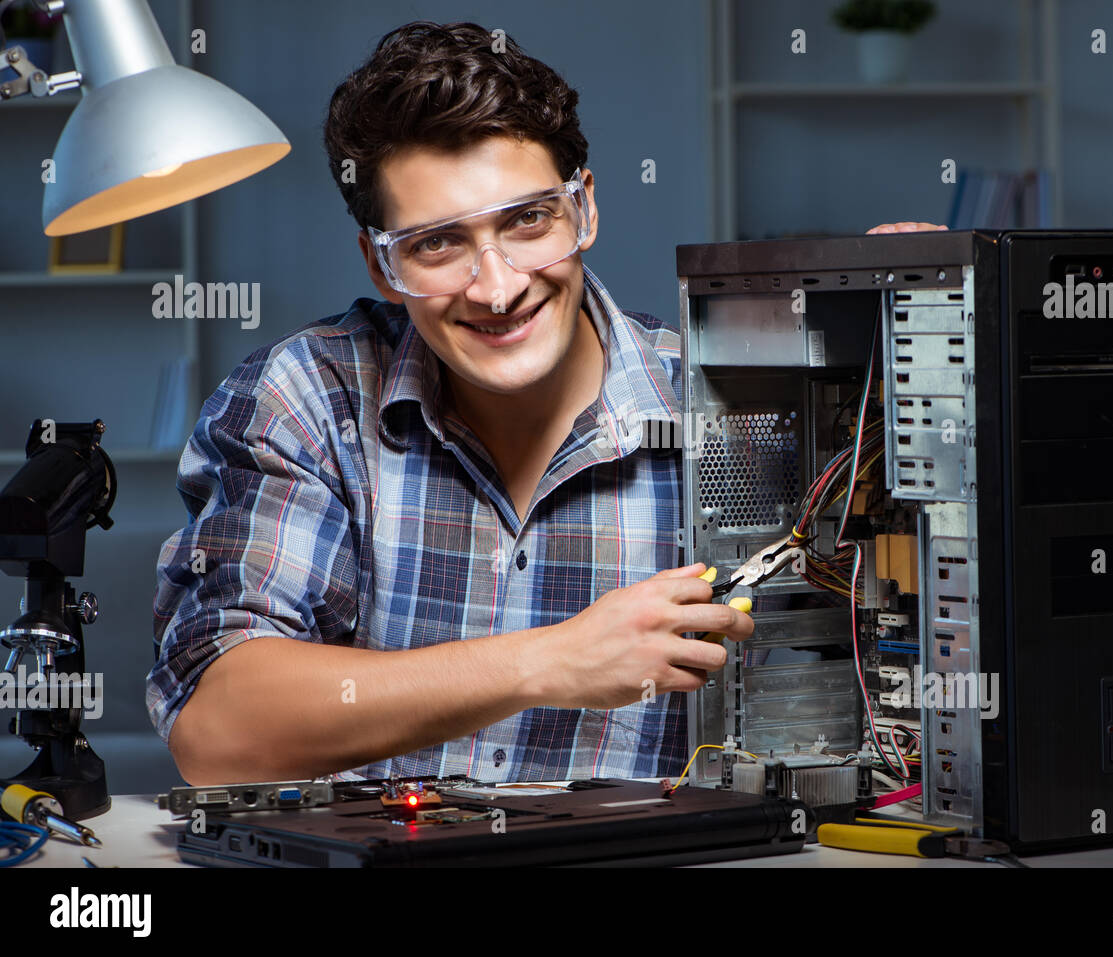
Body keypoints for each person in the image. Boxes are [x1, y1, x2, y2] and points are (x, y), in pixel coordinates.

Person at [147, 20, 943, 786]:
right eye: (437, 244)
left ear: (584, 208)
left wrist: (917, 366)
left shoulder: (746, 404)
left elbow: (899, 653)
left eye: (528, 221)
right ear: (380, 264)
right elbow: (218, 729)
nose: (497, 288)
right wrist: (552, 661)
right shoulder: (309, 400)